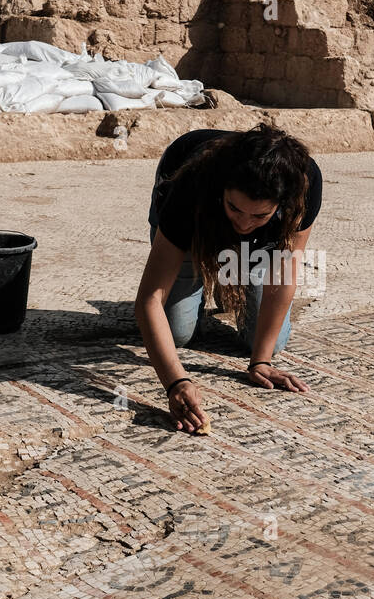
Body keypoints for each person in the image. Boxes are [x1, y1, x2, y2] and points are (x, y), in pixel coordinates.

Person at [135, 123, 323, 434]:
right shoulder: (188, 185)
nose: (244, 223)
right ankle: (213, 268)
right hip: (193, 208)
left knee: (268, 342)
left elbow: (285, 270)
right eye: (235, 208)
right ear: (223, 190)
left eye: (259, 216)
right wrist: (176, 382)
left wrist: (260, 362)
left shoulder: (304, 185)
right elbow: (149, 299)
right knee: (177, 333)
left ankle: (231, 273)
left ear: (281, 203)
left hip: (256, 243)